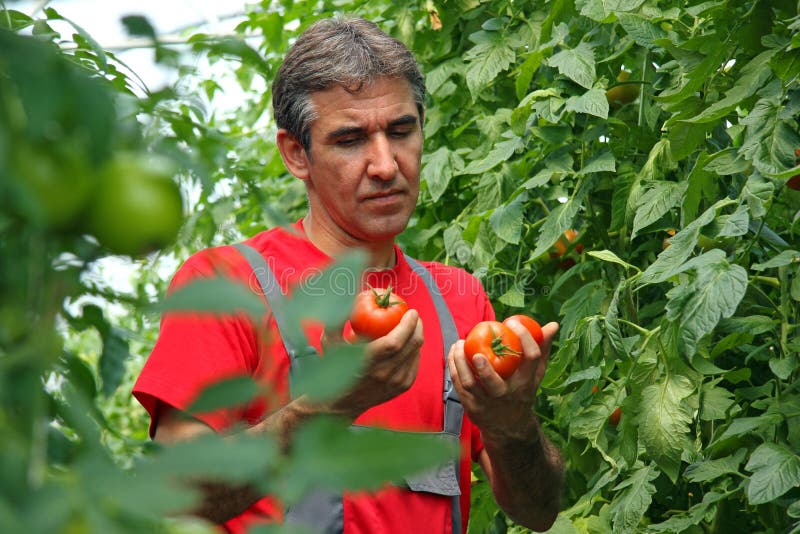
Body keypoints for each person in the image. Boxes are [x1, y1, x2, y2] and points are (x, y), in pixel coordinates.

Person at [133, 16, 564, 534]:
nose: (386, 164)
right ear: (297, 153)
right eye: (351, 139)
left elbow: (538, 511)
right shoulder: (225, 284)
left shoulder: (460, 303)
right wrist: (328, 406)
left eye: (401, 130)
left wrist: (512, 426)